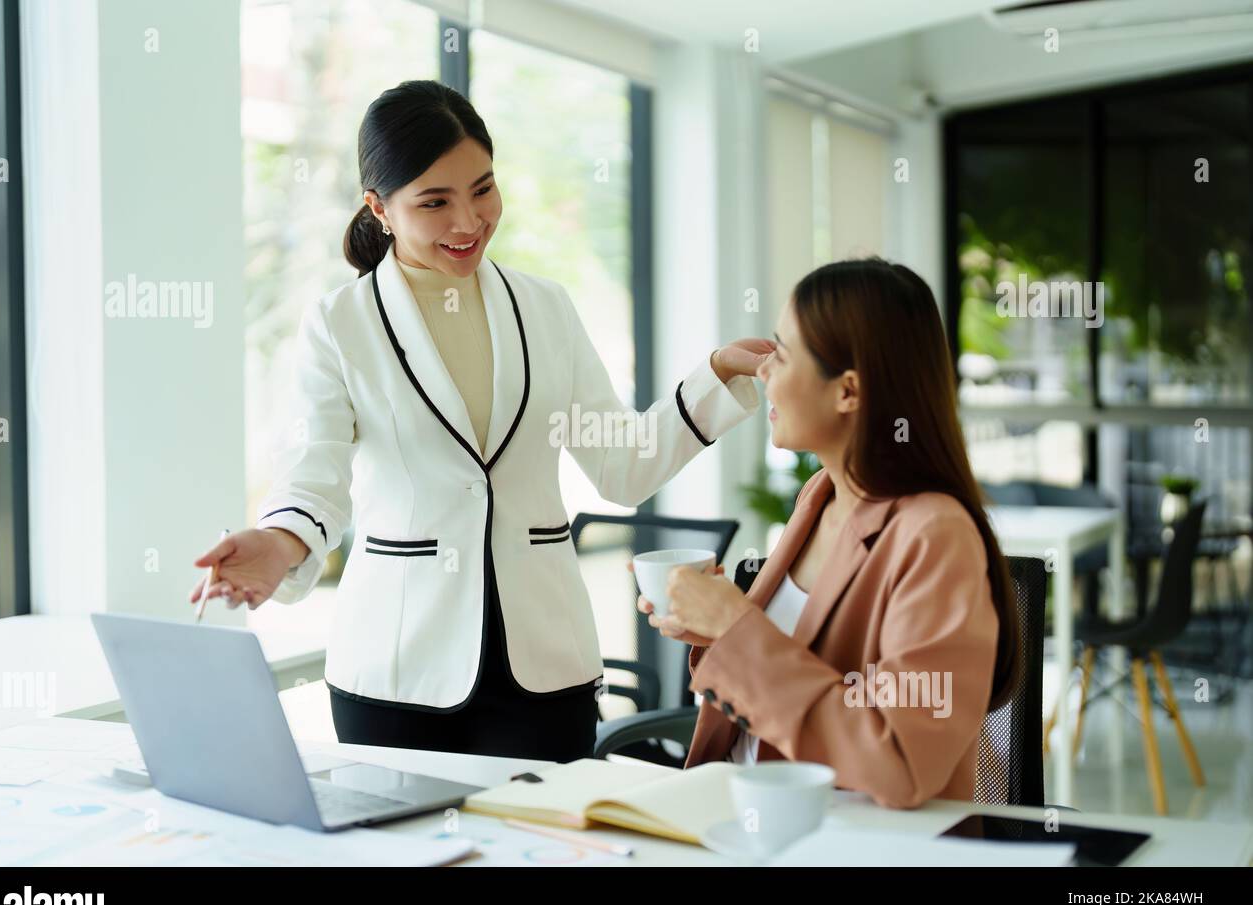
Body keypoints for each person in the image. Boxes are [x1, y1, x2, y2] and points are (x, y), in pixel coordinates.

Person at [189, 80, 771, 763]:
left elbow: (625, 464)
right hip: (395, 667)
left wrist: (718, 376)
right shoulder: (341, 324)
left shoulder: (545, 308)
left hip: (544, 664)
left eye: (483, 189)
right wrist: (279, 540)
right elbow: (314, 471)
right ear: (379, 208)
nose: (468, 222)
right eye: (434, 202)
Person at [640, 258, 1018, 808]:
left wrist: (736, 624)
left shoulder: (934, 534)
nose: (762, 372)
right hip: (742, 817)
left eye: (783, 355)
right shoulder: (819, 496)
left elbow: (900, 764)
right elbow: (801, 659)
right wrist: (712, 627)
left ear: (847, 391)